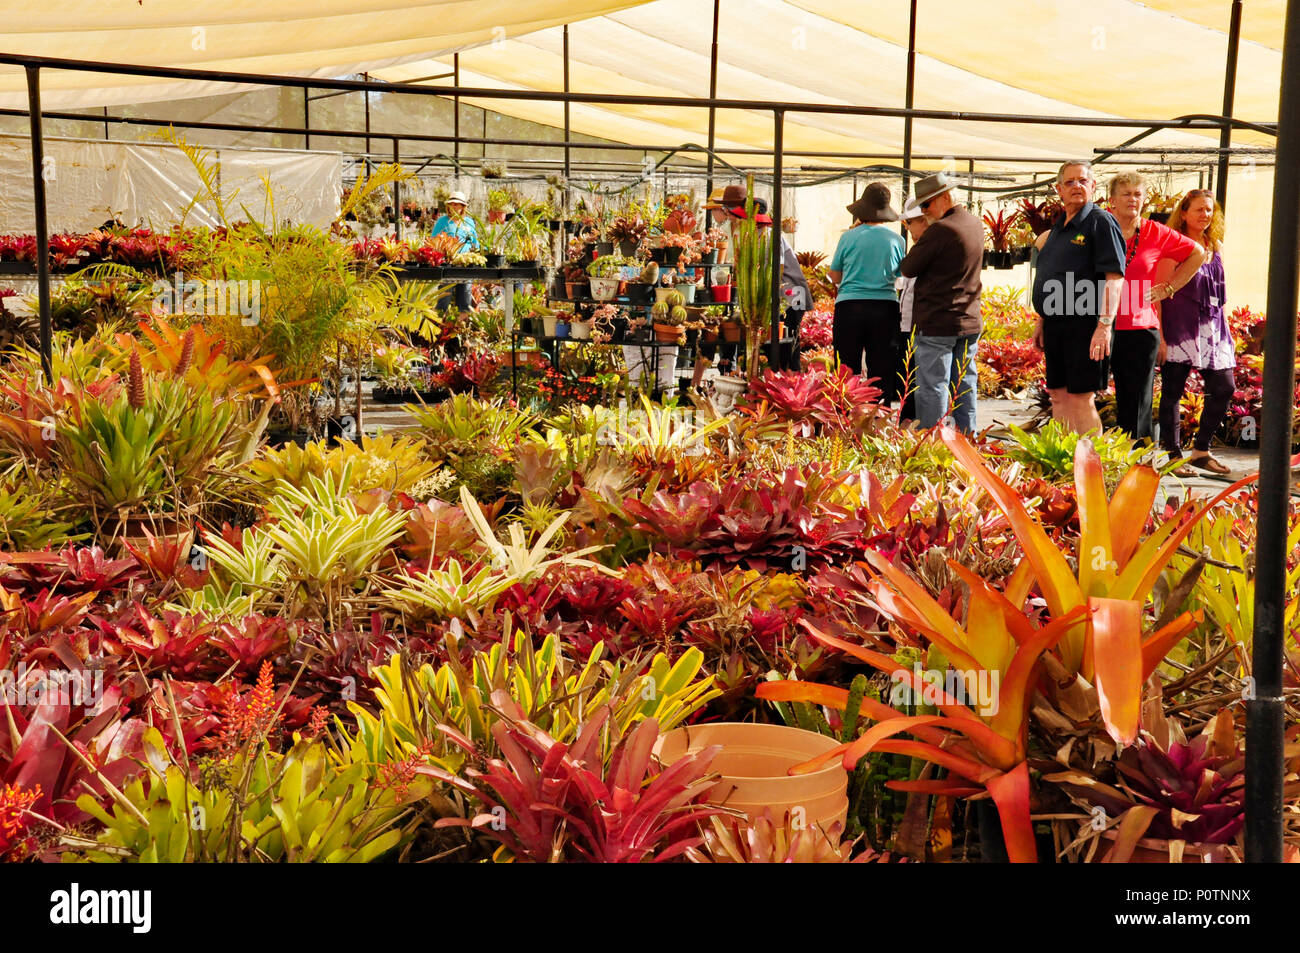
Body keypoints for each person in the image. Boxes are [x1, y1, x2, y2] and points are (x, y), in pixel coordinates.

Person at [1107, 173, 1205, 441]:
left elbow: (1197, 253)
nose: (1132, 199)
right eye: (1126, 194)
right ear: (1111, 200)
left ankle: (1135, 464)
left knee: (1137, 402)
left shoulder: (1154, 232)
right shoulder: (1098, 225)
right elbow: (1049, 239)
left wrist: (1170, 286)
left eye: (1138, 194)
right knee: (1085, 395)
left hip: (1138, 327)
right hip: (1098, 325)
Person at [1030, 161, 1126, 435]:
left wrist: (1104, 325)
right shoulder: (1059, 227)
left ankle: (1090, 465)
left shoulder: (1101, 222)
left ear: (1093, 186)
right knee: (1058, 395)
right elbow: (1051, 274)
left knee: (1081, 397)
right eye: (1070, 182)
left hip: (1086, 324)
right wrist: (1042, 320)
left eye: (1083, 181)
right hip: (1056, 324)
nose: (1076, 186)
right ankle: (1064, 460)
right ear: (1058, 189)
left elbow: (1114, 279)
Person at [899, 172, 984, 433]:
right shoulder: (974, 223)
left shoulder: (941, 229)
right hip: (968, 319)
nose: (924, 212)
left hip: (938, 322)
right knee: (964, 383)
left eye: (926, 205)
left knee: (933, 385)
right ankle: (967, 441)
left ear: (945, 197)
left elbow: (908, 267)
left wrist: (924, 235)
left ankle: (933, 444)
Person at [1158, 189, 1236, 475]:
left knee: (1225, 387)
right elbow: (1159, 292)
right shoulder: (1174, 246)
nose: (1205, 215)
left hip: (1213, 328)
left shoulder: (1215, 244)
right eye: (1199, 210)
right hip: (1180, 330)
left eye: (1209, 210)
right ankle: (1172, 456)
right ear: (1184, 213)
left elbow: (1218, 291)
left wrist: (1225, 331)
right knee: (1172, 393)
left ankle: (1201, 451)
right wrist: (1161, 338)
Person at [826, 183, 904, 400]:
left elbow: (835, 275)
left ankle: (844, 415)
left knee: (846, 367)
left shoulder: (848, 237)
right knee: (882, 366)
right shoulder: (897, 240)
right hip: (885, 308)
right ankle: (880, 417)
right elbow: (899, 275)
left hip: (850, 307)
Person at [732, 197, 812, 372]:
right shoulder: (755, 236)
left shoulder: (770, 237)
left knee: (788, 345)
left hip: (791, 295)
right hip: (781, 296)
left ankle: (789, 383)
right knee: (775, 344)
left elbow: (775, 271)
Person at [693, 184, 746, 385]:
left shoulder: (747, 229)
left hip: (739, 290)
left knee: (732, 333)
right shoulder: (723, 231)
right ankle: (696, 385)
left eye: (716, 209)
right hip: (721, 288)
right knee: (711, 332)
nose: (718, 213)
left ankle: (729, 379)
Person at [894, 196, 927, 424]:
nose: (909, 229)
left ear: (922, 220)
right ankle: (907, 423)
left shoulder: (929, 248)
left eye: (910, 224)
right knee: (909, 377)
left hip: (919, 326)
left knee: (916, 378)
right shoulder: (920, 247)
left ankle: (913, 424)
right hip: (908, 324)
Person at [429, 191, 479, 312]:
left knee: (465, 301)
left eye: (457, 204)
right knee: (444, 298)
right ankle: (440, 325)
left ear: (463, 207)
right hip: (448, 265)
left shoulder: (469, 222)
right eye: (452, 204)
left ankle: (461, 327)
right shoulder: (443, 221)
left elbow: (475, 243)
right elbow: (433, 240)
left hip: (465, 265)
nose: (454, 207)